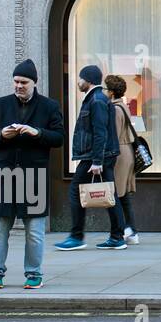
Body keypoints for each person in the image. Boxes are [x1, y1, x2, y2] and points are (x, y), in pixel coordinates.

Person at [0, 60, 65, 289]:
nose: (18, 86)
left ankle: (34, 274)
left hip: (34, 176)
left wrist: (37, 133)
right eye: (16, 81)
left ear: (34, 83)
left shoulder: (49, 106)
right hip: (4, 174)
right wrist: (1, 134)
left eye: (23, 82)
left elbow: (58, 137)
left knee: (34, 232)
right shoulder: (1, 104)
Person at [55, 65, 126, 251]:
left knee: (75, 192)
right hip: (100, 154)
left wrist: (96, 161)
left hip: (95, 156)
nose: (78, 82)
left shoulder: (96, 100)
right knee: (110, 194)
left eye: (80, 78)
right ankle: (118, 236)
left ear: (88, 80)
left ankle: (77, 237)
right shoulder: (96, 99)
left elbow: (100, 132)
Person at [104, 75, 141, 245]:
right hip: (126, 151)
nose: (103, 92)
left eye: (105, 89)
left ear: (111, 92)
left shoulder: (115, 109)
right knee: (123, 194)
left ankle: (122, 231)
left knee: (117, 194)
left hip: (119, 153)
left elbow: (114, 135)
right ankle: (131, 230)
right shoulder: (122, 106)